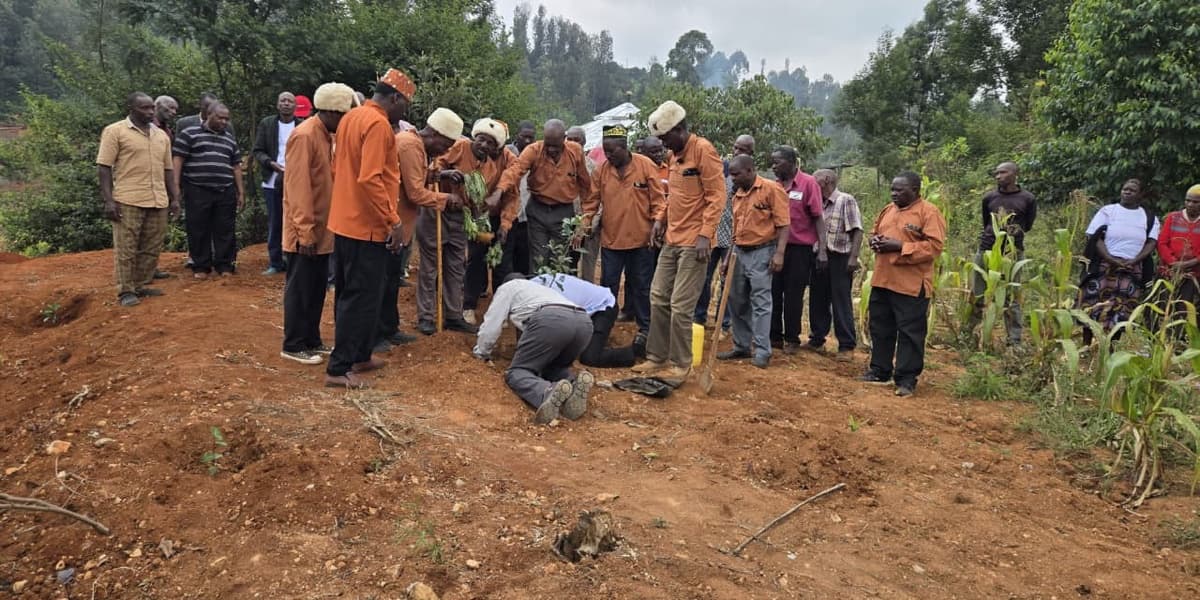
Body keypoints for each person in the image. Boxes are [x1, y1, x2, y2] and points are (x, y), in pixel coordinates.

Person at [323, 68, 414, 388]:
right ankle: (339, 368)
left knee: (356, 294)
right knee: (359, 298)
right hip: (367, 226)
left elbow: (340, 169)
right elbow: (371, 178)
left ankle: (361, 354)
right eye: (405, 104)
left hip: (347, 221)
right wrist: (394, 220)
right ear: (394, 98)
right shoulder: (377, 125)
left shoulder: (351, 117)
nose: (405, 110)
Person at [632, 100, 724, 378]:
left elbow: (717, 197)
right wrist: (660, 219)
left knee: (681, 304)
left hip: (695, 241)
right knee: (658, 296)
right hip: (673, 238)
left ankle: (680, 364)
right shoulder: (673, 157)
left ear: (680, 129)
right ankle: (657, 356)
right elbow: (674, 196)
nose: (663, 144)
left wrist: (706, 235)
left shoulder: (704, 151)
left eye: (665, 137)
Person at [278, 82, 355, 365]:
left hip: (323, 229)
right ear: (333, 112)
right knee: (300, 288)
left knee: (315, 287)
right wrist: (306, 232)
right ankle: (293, 343)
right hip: (305, 231)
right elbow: (297, 189)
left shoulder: (326, 136)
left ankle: (311, 339)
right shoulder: (305, 135)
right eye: (345, 115)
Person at [577, 124, 666, 347]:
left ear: (624, 147)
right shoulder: (601, 171)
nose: (608, 156)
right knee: (608, 287)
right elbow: (591, 203)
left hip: (641, 241)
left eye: (612, 151)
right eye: (605, 151)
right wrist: (583, 224)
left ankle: (646, 330)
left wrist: (658, 223)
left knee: (642, 285)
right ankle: (603, 330)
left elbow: (658, 202)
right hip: (612, 242)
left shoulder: (645, 165)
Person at [859, 172, 946, 397]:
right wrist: (874, 241)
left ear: (916, 190)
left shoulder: (929, 212)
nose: (894, 194)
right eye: (893, 190)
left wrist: (900, 246)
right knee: (880, 327)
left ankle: (906, 378)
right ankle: (880, 370)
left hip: (910, 283)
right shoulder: (888, 209)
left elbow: (934, 248)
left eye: (900, 190)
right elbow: (874, 232)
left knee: (909, 332)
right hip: (883, 279)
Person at [473, 274, 594, 425]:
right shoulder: (541, 290)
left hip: (552, 320)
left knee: (517, 372)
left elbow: (492, 325)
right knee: (552, 367)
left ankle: (546, 391)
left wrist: (481, 352)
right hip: (584, 322)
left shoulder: (508, 288)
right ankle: (574, 384)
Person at [97, 92, 180, 307]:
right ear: (131, 108)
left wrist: (175, 198)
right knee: (126, 246)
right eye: (144, 108)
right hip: (128, 198)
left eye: (152, 107)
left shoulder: (161, 136)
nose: (150, 111)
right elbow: (104, 167)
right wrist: (108, 200)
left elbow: (168, 170)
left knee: (152, 245)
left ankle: (141, 284)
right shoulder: (115, 131)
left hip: (157, 199)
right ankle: (125, 290)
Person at [435, 118, 517, 326]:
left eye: (493, 144)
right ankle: (467, 306)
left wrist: (505, 225)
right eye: (484, 141)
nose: (487, 148)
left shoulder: (508, 160)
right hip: (475, 216)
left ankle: (500, 309)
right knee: (475, 259)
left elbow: (511, 195)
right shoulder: (469, 152)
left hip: (498, 217)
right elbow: (442, 166)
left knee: (500, 263)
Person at [717, 155, 790, 368]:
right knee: (736, 300)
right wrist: (727, 258)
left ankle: (762, 350)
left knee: (761, 302)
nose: (733, 178)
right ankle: (741, 346)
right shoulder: (737, 193)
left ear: (750, 170)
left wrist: (779, 254)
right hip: (739, 251)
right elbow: (735, 229)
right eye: (731, 174)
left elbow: (784, 224)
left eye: (736, 174)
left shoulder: (772, 189)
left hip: (762, 251)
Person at [407, 108, 471, 337]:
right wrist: (444, 181)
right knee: (430, 266)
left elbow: (430, 173)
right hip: (435, 210)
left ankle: (454, 315)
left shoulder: (428, 150)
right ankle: (427, 317)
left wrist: (440, 175)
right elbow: (416, 190)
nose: (446, 150)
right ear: (435, 134)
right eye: (445, 144)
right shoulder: (413, 146)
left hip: (459, 216)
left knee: (455, 267)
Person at [495, 119, 592, 272]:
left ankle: (556, 294)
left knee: (560, 259)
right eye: (548, 145)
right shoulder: (534, 150)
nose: (551, 149)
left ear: (564, 139)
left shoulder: (575, 152)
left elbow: (586, 186)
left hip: (564, 213)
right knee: (539, 259)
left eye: (556, 146)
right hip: (538, 210)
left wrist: (584, 219)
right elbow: (515, 170)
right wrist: (499, 190)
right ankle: (539, 292)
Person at [1078, 178, 1160, 342]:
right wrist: (1109, 258)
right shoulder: (1108, 211)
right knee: (1093, 302)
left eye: (1132, 190)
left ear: (1140, 195)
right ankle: (1087, 344)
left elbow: (1151, 242)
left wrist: (1136, 259)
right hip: (1103, 264)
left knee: (1122, 306)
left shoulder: (1149, 217)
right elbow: (1094, 236)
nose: (1127, 192)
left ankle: (1111, 346)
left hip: (1132, 267)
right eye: (1125, 189)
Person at [173, 102, 244, 279]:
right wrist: (176, 186)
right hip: (197, 189)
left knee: (225, 228)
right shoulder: (189, 133)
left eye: (226, 119)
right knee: (198, 228)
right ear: (208, 115)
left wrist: (241, 191)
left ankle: (225, 264)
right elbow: (178, 160)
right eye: (220, 117)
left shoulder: (229, 138)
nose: (224, 121)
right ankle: (201, 266)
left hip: (225, 189)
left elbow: (236, 166)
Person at [969, 161, 1037, 345]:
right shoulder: (989, 198)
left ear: (1015, 174)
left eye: (1003, 173)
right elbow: (987, 223)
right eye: (996, 173)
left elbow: (1027, 226)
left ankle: (1014, 341)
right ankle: (970, 334)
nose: (998, 176)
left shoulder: (1028, 198)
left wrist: (1017, 231)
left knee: (1012, 297)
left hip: (1012, 254)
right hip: (987, 249)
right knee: (978, 292)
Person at [770, 145, 828, 352]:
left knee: (793, 295)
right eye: (773, 162)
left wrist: (822, 250)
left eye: (777, 162)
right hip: (776, 248)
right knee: (773, 292)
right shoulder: (774, 185)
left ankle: (792, 338)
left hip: (799, 250)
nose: (773, 166)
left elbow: (818, 218)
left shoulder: (808, 183)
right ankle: (774, 336)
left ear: (792, 162)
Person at [694, 135, 751, 331]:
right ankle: (699, 317)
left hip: (734, 238)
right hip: (713, 234)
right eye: (735, 147)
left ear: (750, 154)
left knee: (730, 282)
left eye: (742, 149)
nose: (737, 151)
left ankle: (723, 322)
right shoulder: (721, 170)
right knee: (703, 277)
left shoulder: (751, 178)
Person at [531, 273, 643, 368]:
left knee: (590, 357)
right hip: (591, 306)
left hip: (604, 306)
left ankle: (634, 351)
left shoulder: (547, 297)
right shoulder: (540, 279)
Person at [808, 169, 863, 359]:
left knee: (841, 301)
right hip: (819, 256)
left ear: (826, 180)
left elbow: (857, 231)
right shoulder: (817, 202)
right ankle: (817, 339)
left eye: (815, 179)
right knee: (818, 299)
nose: (812, 182)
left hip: (840, 257)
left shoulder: (845, 200)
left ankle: (846, 346)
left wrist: (853, 258)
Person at [253, 91, 301, 275]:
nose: (286, 104)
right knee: (275, 221)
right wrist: (271, 164)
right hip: (272, 180)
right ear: (277, 104)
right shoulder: (267, 124)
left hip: (295, 180)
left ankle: (291, 259)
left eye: (290, 101)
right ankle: (275, 262)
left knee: (294, 220)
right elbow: (258, 150)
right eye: (283, 100)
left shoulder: (301, 126)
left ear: (295, 106)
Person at [1157, 185, 1200, 327]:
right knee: (1164, 307)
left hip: (1192, 275)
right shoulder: (1173, 218)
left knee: (1184, 310)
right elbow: (1162, 243)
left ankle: (1178, 343)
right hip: (1169, 272)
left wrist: (1187, 264)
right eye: (1188, 201)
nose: (1190, 204)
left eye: (1195, 202)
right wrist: (1173, 262)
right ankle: (1163, 340)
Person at [501, 120, 536, 276]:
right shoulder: (506, 152)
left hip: (527, 216)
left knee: (524, 254)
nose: (527, 141)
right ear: (517, 135)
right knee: (505, 254)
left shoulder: (537, 156)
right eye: (524, 137)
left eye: (531, 138)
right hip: (507, 213)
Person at [567, 125, 601, 282]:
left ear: (584, 142)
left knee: (588, 263)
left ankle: (586, 295)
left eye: (577, 140)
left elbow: (600, 197)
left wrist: (592, 223)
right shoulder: (559, 165)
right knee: (568, 261)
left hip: (590, 222)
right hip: (567, 221)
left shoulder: (594, 167)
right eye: (569, 139)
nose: (573, 143)